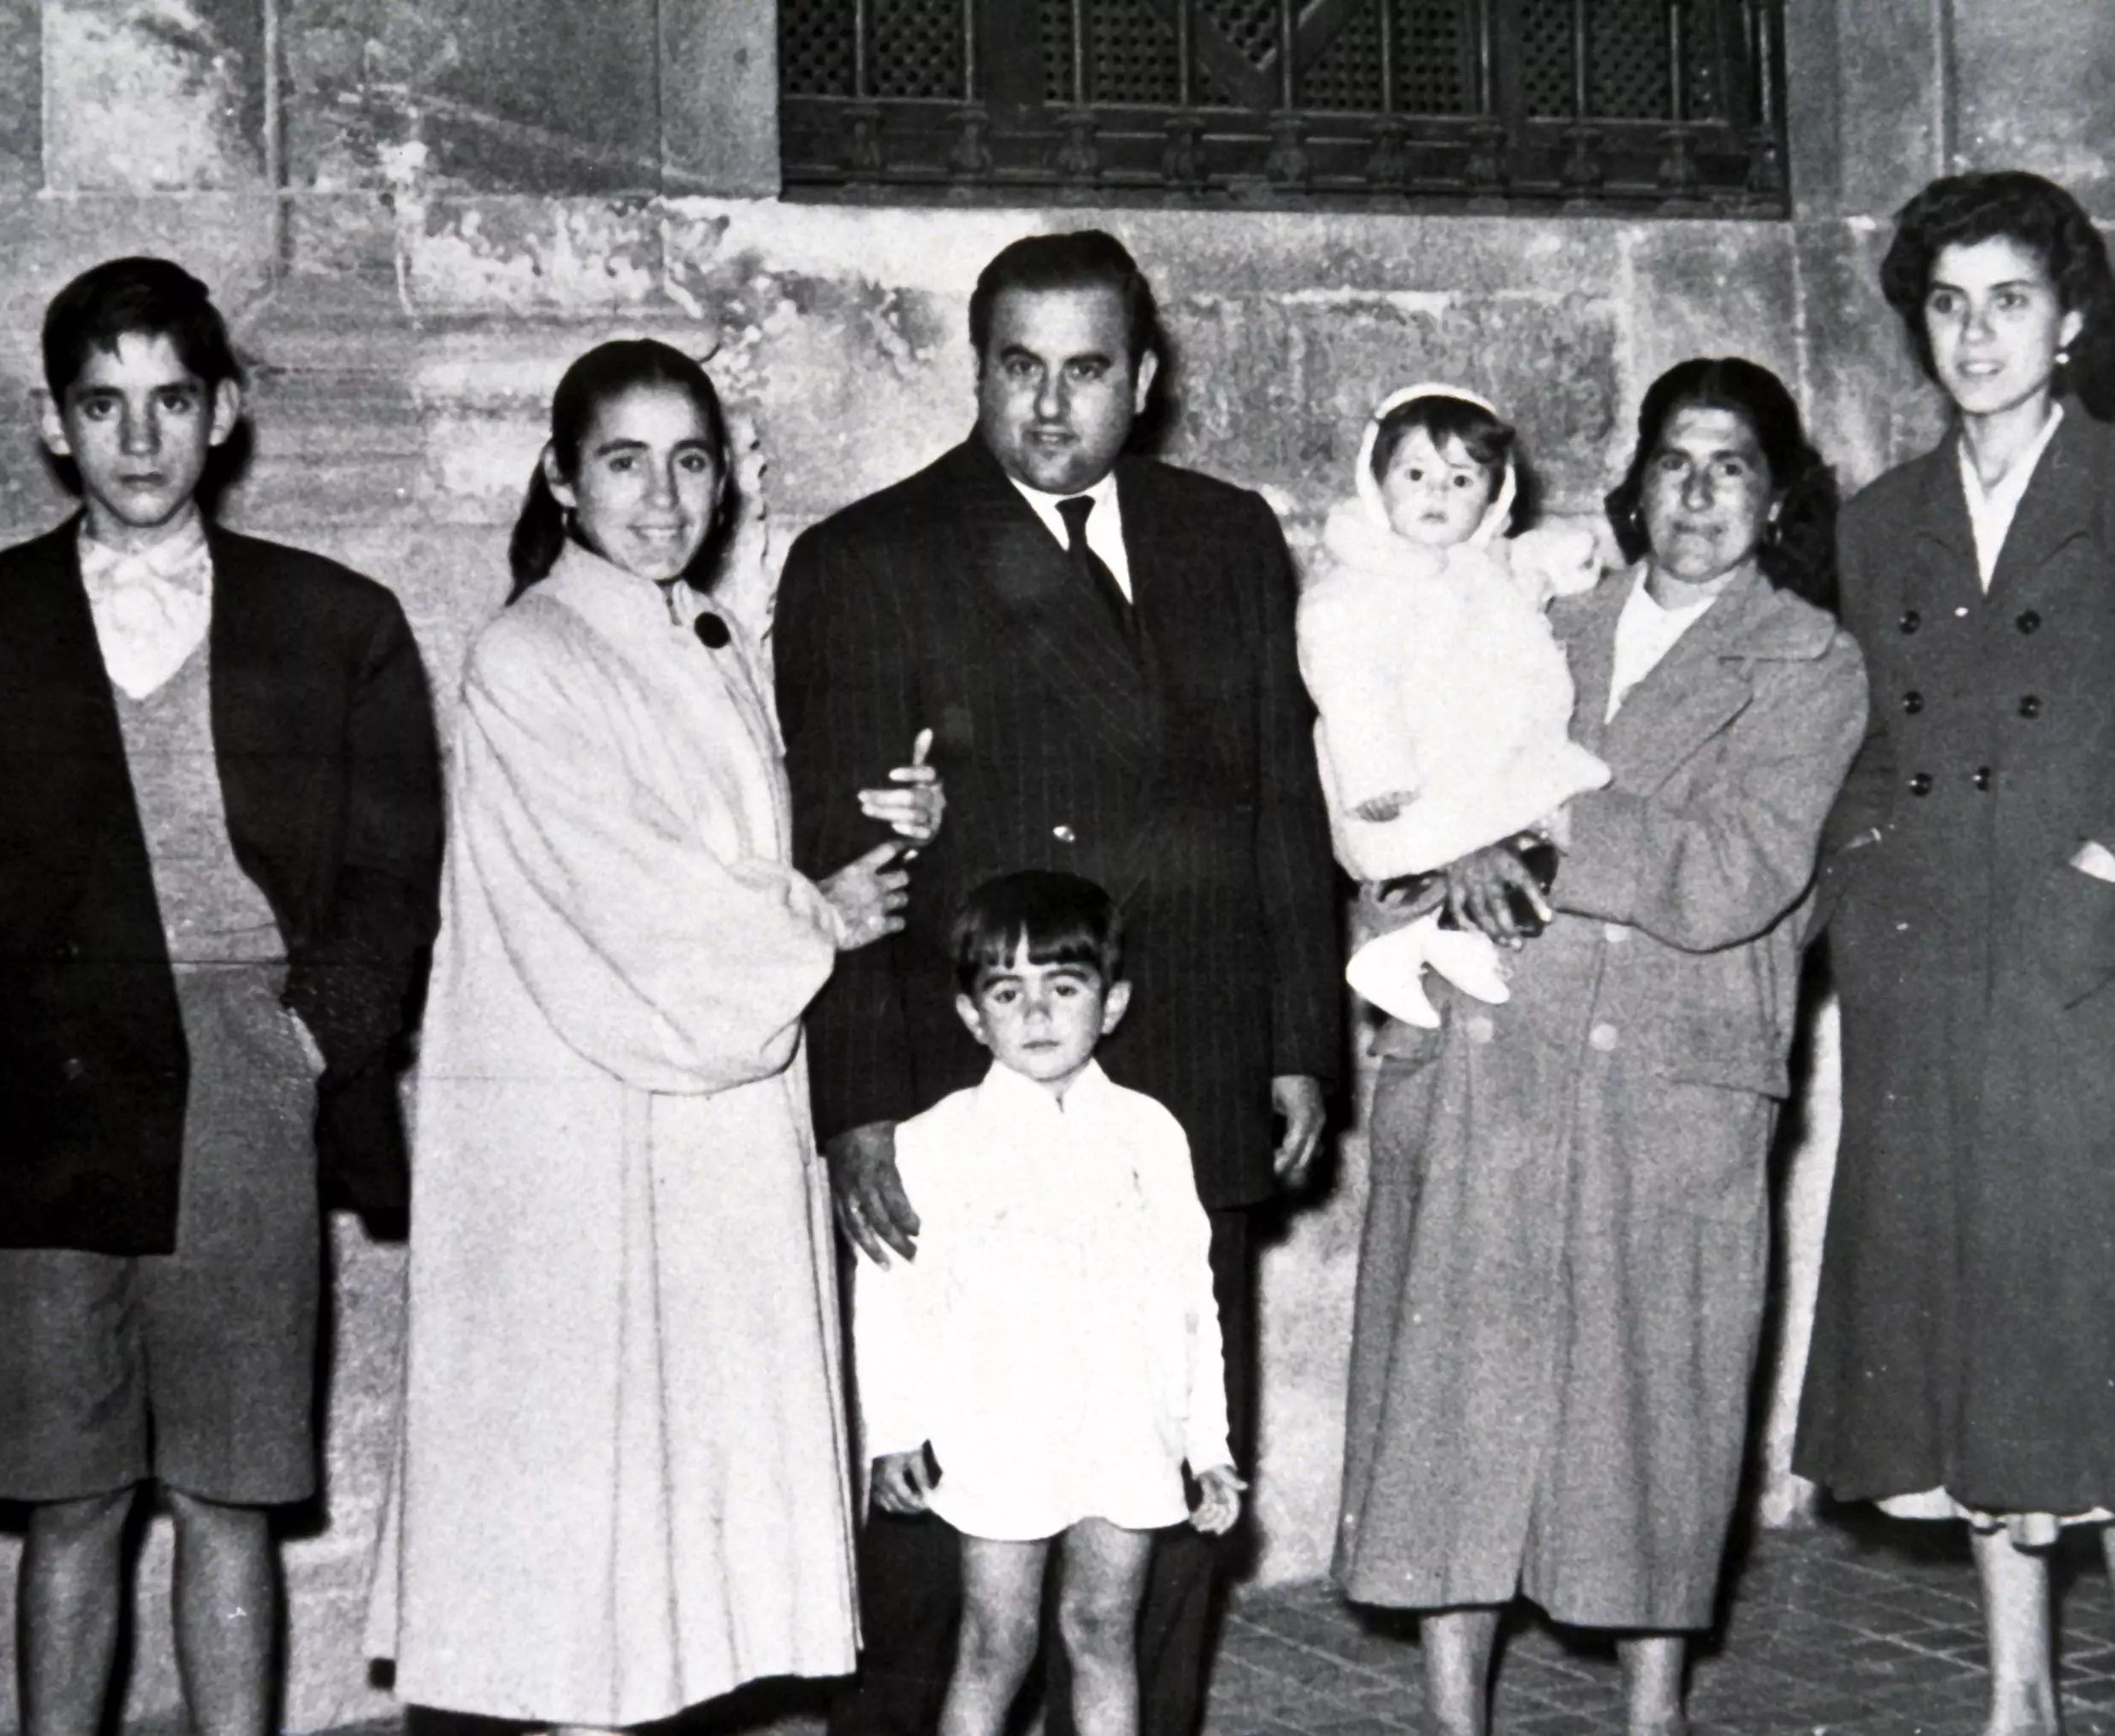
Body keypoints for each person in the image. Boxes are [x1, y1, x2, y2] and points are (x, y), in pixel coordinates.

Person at [0, 257, 444, 1736]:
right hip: (48, 1079)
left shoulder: (336, 622)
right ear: (52, 424)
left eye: (171, 401)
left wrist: (311, 1033)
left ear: (227, 414)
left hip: (248, 1088)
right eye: (103, 404)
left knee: (227, 1490)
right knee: (70, 1497)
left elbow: (397, 877)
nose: (140, 440)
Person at [776, 229, 1342, 1736]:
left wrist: (1298, 1037)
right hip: (961, 1093)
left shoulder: (1226, 541)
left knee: (1150, 1486)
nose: (1047, 405)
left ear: (1143, 382)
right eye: (1017, 367)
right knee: (944, 1507)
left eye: (1085, 370)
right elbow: (837, 874)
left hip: (1190, 1051)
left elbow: (1283, 800)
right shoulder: (866, 561)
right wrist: (864, 1112)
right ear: (978, 372)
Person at [370, 338, 940, 1727]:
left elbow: (731, 844)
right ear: (562, 477)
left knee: (677, 1535)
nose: (663, 494)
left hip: (707, 1119)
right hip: (587, 1120)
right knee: (591, 1517)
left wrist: (873, 832)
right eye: (625, 460)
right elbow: (627, 892)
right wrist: (818, 915)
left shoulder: (704, 632)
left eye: (690, 460)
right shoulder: (527, 650)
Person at [1333, 357, 1865, 1736]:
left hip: (1673, 1066)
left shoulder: (1810, 659)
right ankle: (1456, 1711)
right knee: (1460, 1386)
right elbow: (1402, 784)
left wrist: (1548, 829)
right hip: (1499, 1047)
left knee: (1655, 1406)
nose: (1698, 493)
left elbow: (1739, 866)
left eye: (1731, 464)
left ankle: (1652, 1713)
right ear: (1631, 489)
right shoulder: (1533, 621)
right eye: (1674, 463)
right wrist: (1429, 873)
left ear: (1776, 494)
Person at [1795, 167, 2115, 1736]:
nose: (1978, 333)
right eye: (1948, 302)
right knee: (1980, 1334)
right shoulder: (1880, 523)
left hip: (2095, 973)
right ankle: (2019, 1695)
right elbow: (1855, 746)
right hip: (1928, 969)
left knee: (2092, 1318)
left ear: (2068, 321)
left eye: (2011, 300)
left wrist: (2100, 883)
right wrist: (1866, 888)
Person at [854, 871, 1244, 1736]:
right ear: (970, 1013)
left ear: (1111, 1004)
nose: (1036, 1014)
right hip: (1000, 1435)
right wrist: (894, 1430)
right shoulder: (937, 1139)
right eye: (1008, 990)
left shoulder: (1151, 1131)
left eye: (1063, 988)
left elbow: (1191, 1297)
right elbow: (893, 1302)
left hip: (1127, 1432)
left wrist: (1206, 1442)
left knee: (1103, 1628)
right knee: (999, 1640)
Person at [1296, 382, 1609, 1028]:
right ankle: (1393, 948)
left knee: (1527, 830)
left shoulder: (1479, 567)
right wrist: (1377, 770)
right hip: (1404, 772)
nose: (1437, 494)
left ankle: (1445, 940)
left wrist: (1561, 556)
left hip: (1471, 757)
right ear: (1376, 481)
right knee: (1436, 845)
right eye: (1415, 474)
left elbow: (1524, 572)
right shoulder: (1355, 586)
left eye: (1463, 481)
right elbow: (1348, 678)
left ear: (1496, 498)